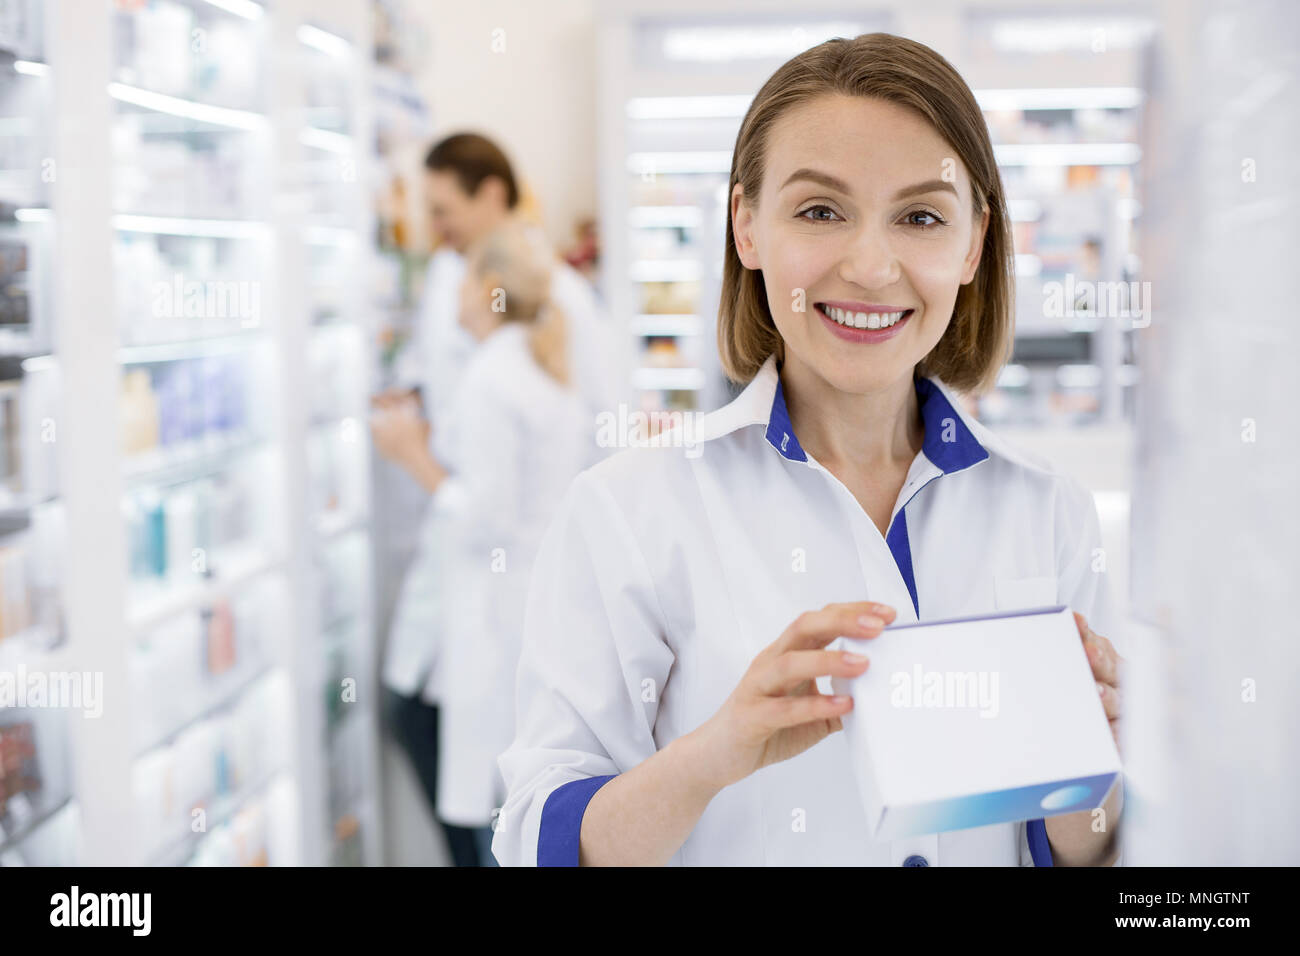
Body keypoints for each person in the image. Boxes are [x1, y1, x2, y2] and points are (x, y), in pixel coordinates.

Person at [493, 32, 1126, 867]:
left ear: (973, 246)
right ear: (747, 225)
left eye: (921, 217)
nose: (869, 266)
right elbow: (538, 837)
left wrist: (1097, 769)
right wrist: (715, 751)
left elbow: (1086, 850)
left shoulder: (1048, 510)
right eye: (821, 211)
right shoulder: (630, 511)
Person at [377, 134, 616, 865]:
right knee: (452, 740)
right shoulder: (492, 326)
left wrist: (419, 459)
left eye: (445, 209)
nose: (436, 228)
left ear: (490, 195)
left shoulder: (546, 318)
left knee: (489, 768)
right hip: (476, 566)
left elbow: (598, 437)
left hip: (504, 572)